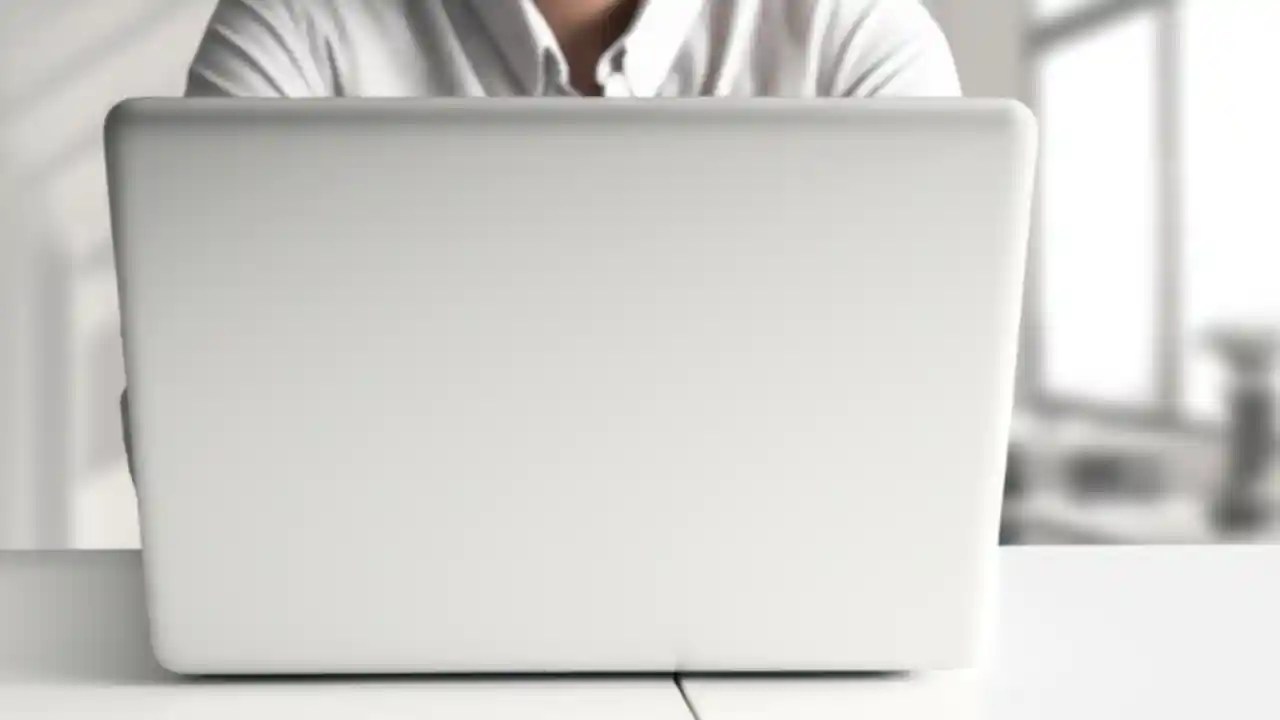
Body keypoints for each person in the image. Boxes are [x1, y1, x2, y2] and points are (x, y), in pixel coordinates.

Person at [185, 0, 960, 99]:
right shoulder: (297, 26)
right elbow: (193, 420)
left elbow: (931, 424)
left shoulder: (856, 40)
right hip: (379, 556)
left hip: (781, 558)